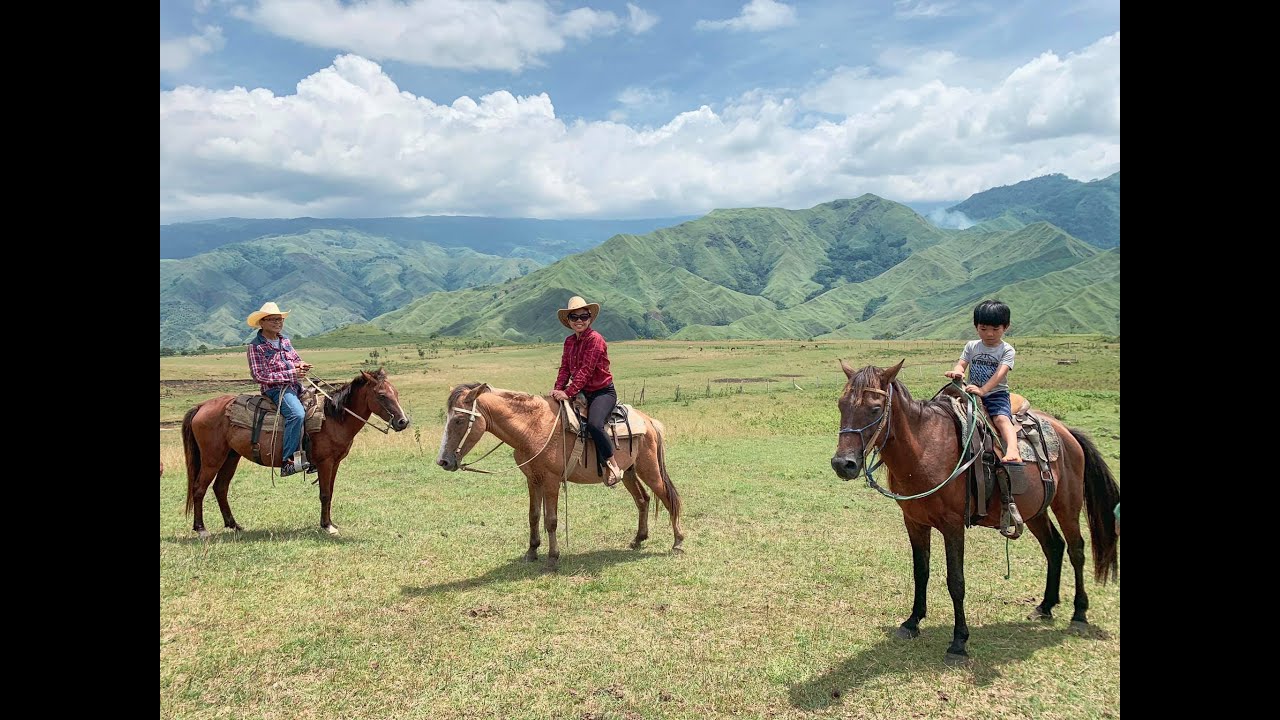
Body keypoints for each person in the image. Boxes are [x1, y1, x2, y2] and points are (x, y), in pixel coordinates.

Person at [550, 296, 624, 487]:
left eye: (583, 316)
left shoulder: (595, 340)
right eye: (574, 317)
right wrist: (558, 389)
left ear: (590, 318)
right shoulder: (569, 342)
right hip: (581, 393)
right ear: (569, 321)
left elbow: (586, 370)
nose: (579, 321)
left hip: (602, 393)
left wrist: (568, 392)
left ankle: (613, 466)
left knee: (594, 424)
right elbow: (565, 368)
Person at [944, 299, 1022, 464]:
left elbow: (1000, 374)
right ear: (976, 327)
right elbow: (961, 364)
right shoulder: (972, 346)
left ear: (1005, 327)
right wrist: (957, 372)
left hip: (995, 394)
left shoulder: (1007, 350)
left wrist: (984, 390)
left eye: (995, 329)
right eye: (983, 328)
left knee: (1001, 419)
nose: (989, 334)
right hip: (971, 392)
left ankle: (1012, 449)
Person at [246, 301, 314, 476]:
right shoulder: (256, 347)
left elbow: (296, 359)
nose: (278, 322)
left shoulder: (285, 341)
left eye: (280, 319)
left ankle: (313, 456)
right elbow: (259, 375)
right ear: (262, 323)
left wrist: (302, 365)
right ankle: (288, 461)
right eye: (272, 319)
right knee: (296, 414)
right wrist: (292, 374)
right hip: (276, 390)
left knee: (318, 410)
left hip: (296, 386)